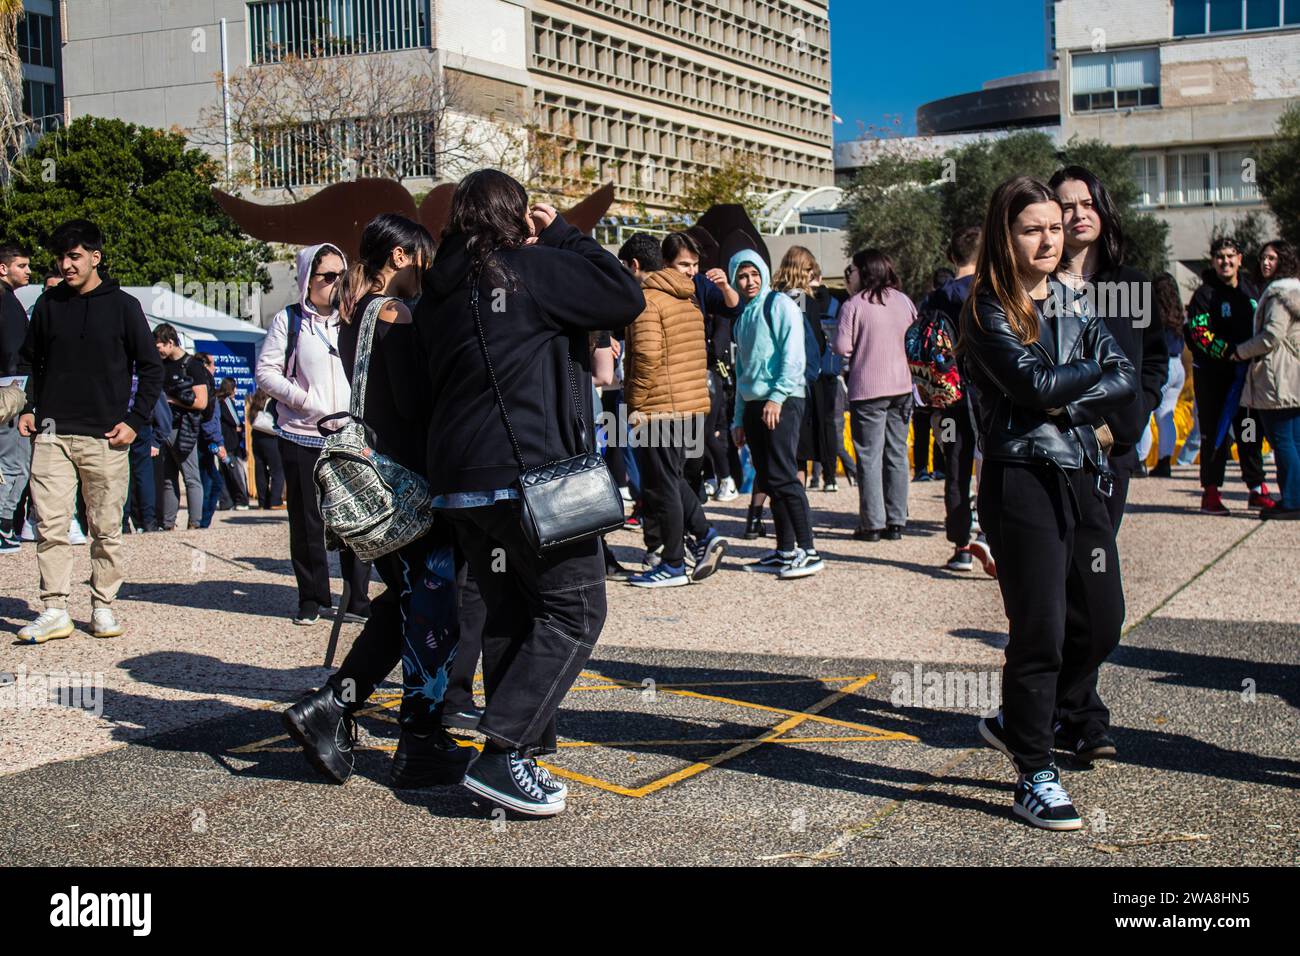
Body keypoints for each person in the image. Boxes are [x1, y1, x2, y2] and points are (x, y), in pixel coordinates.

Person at [415, 169, 644, 816]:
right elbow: (624, 295)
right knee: (576, 611)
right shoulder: (528, 269)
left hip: (460, 483)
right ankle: (503, 751)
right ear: (517, 217)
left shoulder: (441, 287)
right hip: (529, 474)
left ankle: (517, 761)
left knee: (510, 613)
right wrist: (568, 235)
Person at [963, 178, 1135, 830]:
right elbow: (1034, 386)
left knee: (1102, 619)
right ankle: (1035, 770)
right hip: (1020, 481)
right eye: (1032, 228)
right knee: (1040, 630)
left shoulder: (1071, 300)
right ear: (1005, 237)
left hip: (1079, 476)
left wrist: (1069, 394)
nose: (1047, 239)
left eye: (1054, 228)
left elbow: (1118, 378)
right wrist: (1073, 387)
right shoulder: (988, 309)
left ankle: (1018, 719)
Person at [282, 214, 471, 786]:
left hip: (379, 487)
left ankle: (331, 707)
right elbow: (414, 405)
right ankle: (419, 739)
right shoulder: (394, 313)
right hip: (407, 489)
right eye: (422, 256)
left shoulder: (354, 316)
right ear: (400, 257)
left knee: (402, 606)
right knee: (432, 610)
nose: (428, 268)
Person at [15, 219, 163, 643]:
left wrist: (135, 423)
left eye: (74, 256)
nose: (66, 264)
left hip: (106, 436)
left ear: (96, 257)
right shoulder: (47, 304)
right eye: (61, 257)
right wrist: (28, 407)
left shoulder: (124, 306)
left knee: (106, 528)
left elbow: (151, 369)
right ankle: (55, 608)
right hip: (52, 433)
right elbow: (31, 363)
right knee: (50, 525)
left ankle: (102, 606)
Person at [255, 243, 372, 626]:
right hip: (301, 433)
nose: (337, 283)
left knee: (355, 518)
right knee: (307, 520)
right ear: (308, 280)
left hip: (350, 435)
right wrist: (303, 399)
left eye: (342, 275)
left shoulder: (352, 319)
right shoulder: (288, 321)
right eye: (328, 276)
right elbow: (266, 372)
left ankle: (357, 598)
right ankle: (312, 597)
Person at [1051, 166, 1168, 530]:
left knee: (1098, 556)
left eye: (1087, 203)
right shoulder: (1039, 285)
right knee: (1057, 559)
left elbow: (1154, 355)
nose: (1079, 215)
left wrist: (1141, 404)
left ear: (1102, 209)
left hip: (1114, 446)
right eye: (1066, 207)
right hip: (1054, 445)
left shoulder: (1133, 283)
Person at [621, 235, 728, 588]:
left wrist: (634, 400)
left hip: (659, 406)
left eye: (625, 268)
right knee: (673, 479)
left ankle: (672, 563)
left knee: (663, 484)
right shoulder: (689, 299)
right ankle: (705, 535)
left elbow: (648, 357)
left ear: (635, 265)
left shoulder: (648, 301)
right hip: (691, 404)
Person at [729, 248, 823, 579]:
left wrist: (778, 396)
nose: (749, 281)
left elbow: (793, 355)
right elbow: (742, 371)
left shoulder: (780, 304)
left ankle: (809, 550)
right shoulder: (743, 317)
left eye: (754, 274)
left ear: (765, 274)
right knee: (769, 477)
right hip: (755, 404)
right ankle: (785, 550)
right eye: (742, 275)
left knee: (784, 474)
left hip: (781, 400)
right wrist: (739, 419)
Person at [919, 227, 995, 575]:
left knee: (955, 468)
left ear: (952, 257)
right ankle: (990, 535)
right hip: (987, 391)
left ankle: (961, 546)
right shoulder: (989, 291)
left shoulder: (935, 298)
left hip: (946, 395)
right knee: (992, 463)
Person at [1186, 237, 1275, 515]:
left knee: (1250, 431)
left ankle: (1256, 488)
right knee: (1214, 433)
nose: (1225, 261)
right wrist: (1230, 352)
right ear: (1213, 261)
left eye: (1230, 256)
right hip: (1213, 377)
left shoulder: (1251, 289)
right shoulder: (1204, 294)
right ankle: (1211, 492)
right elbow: (1199, 334)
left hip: (1248, 375)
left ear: (1239, 259)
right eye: (1220, 257)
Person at [834, 249, 916, 541]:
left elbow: (842, 347)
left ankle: (872, 524)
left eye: (852, 270)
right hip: (903, 386)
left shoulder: (854, 304)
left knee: (869, 456)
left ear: (863, 271)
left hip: (868, 388)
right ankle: (897, 520)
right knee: (896, 452)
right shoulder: (903, 301)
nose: (850, 275)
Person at [661, 231, 743, 502]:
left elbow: (732, 309)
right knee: (677, 448)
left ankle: (703, 487)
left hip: (701, 375)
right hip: (668, 379)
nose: (691, 271)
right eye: (684, 264)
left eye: (695, 264)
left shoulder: (700, 284)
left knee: (700, 439)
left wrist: (725, 287)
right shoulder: (655, 289)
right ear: (665, 262)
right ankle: (690, 496)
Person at [1236, 240, 1300, 518]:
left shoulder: (1278, 295)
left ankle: (1292, 501)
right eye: (1263, 258)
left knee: (1282, 441)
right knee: (1294, 441)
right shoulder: (1294, 291)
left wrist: (1240, 351)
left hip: (1277, 378)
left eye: (1272, 258)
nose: (1265, 263)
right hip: (1293, 375)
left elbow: (1272, 335)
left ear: (1284, 261)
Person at [153, 324, 210, 530]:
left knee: (191, 476)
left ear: (170, 342)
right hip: (163, 428)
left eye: (160, 347)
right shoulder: (162, 365)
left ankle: (195, 523)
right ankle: (168, 523)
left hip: (184, 428)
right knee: (167, 478)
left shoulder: (193, 365)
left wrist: (171, 400)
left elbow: (201, 402)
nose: (157, 351)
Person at [0, 244, 33, 554]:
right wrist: (16, 393)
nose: (28, 271)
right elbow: (13, 353)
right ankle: (2, 525)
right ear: (3, 268)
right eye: (22, 265)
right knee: (14, 465)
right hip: (7, 391)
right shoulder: (8, 304)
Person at [1147, 274, 1188, 478]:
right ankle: (1165, 461)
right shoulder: (1178, 312)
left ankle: (1139, 460)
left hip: (1162, 365)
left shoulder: (1154, 313)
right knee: (1166, 416)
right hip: (1178, 364)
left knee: (1145, 414)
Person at [214, 377, 251, 510]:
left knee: (224, 472)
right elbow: (235, 420)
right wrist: (239, 427)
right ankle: (241, 500)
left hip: (223, 442)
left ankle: (226, 501)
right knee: (234, 471)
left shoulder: (217, 401)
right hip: (230, 442)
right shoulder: (227, 401)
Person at [246, 388, 285, 508]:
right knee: (277, 470)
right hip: (271, 439)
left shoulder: (254, 404)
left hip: (256, 438)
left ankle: (262, 502)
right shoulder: (271, 403)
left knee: (260, 470)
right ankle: (275, 501)